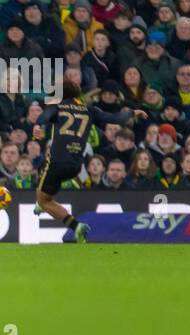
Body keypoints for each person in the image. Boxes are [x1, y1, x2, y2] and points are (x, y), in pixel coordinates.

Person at [37, 80, 142, 243]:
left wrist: (38, 125)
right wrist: (132, 113)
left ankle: (76, 226)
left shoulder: (57, 106)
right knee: (49, 186)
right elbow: (115, 118)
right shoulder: (89, 110)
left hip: (58, 162)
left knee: (43, 199)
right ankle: (46, 201)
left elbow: (44, 116)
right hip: (77, 165)